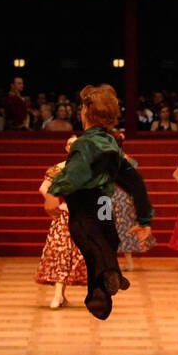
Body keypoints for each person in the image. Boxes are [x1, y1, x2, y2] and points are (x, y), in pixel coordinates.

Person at [44, 85, 153, 320]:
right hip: (105, 204)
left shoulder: (84, 144)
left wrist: (53, 193)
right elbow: (135, 182)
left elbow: (74, 175)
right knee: (105, 242)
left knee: (89, 242)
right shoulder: (112, 144)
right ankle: (100, 294)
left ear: (85, 110)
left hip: (86, 204)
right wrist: (144, 219)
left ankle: (111, 270)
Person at [37, 136, 88, 310]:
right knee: (62, 253)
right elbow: (43, 188)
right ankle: (58, 295)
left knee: (77, 255)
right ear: (66, 148)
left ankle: (61, 295)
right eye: (70, 145)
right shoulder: (59, 168)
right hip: (67, 216)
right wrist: (55, 203)